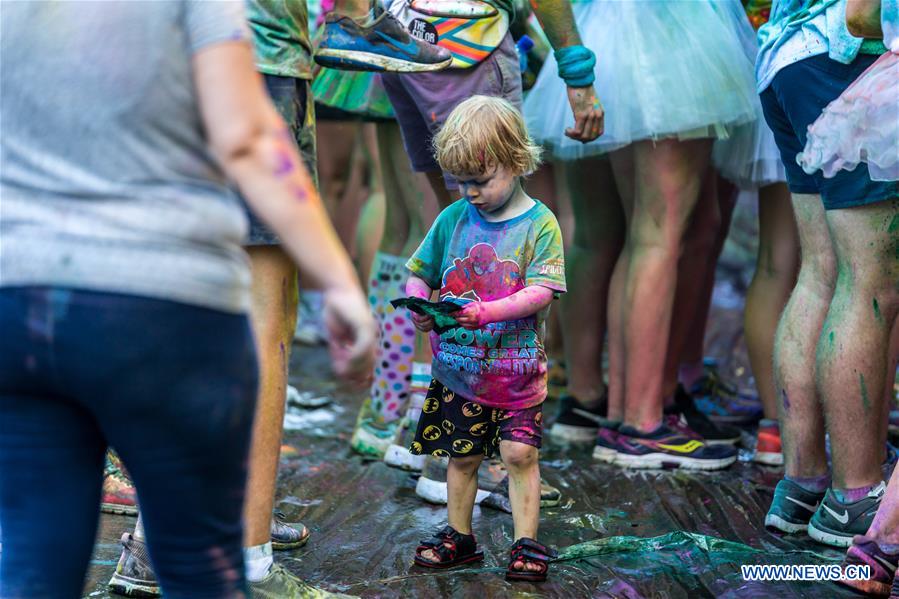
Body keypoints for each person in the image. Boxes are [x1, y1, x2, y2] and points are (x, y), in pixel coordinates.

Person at [0, 2, 375, 597]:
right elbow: (249, 138)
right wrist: (338, 281)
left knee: (30, 566)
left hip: (21, 306)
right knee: (201, 568)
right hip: (158, 310)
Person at [525, 0, 757, 469]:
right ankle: (643, 422)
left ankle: (604, 408)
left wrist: (573, 64)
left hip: (593, 35)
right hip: (665, 41)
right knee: (658, 234)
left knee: (612, 235)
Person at [405, 96, 565, 582]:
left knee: (520, 454)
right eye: (461, 182)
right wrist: (419, 303)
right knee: (463, 454)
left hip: (516, 373)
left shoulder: (540, 224)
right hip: (460, 371)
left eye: (480, 180)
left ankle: (526, 541)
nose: (470, 193)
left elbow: (543, 291)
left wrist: (487, 312)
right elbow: (419, 270)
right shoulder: (452, 219)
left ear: (516, 161)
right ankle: (460, 536)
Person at [757, 0, 897, 547]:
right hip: (841, 65)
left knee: (823, 273)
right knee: (872, 285)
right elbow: (864, 14)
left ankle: (803, 485)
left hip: (788, 61)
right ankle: (854, 495)